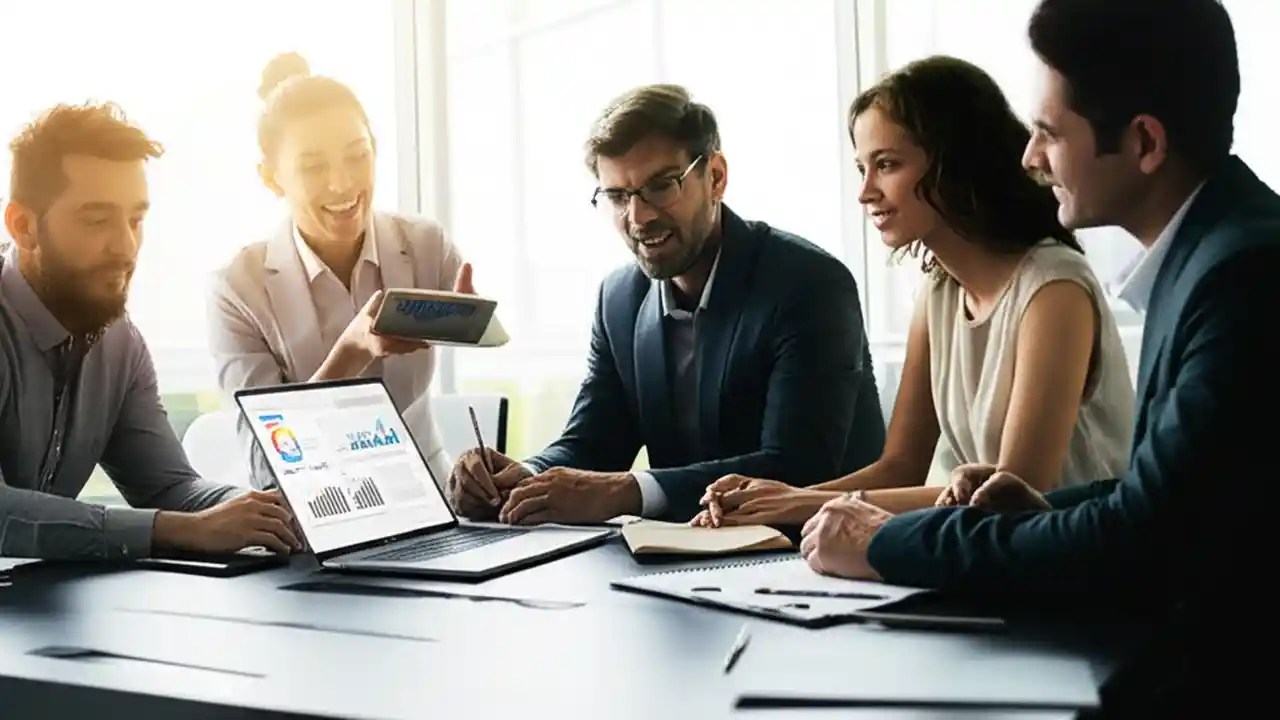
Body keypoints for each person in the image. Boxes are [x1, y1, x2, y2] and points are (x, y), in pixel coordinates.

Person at [798, 0, 1274, 709]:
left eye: (1048, 133)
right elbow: (1158, 497)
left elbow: (1142, 539)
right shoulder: (1212, 256)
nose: (1029, 158)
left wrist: (886, 544)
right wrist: (1034, 514)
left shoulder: (1241, 278)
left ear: (1144, 142)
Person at [694, 55, 1134, 528]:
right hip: (989, 552)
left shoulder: (1053, 288)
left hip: (1077, 554)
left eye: (886, 165)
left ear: (956, 162)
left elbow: (1015, 492)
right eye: (863, 167)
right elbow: (901, 466)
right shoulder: (939, 292)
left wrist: (804, 505)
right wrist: (779, 498)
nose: (866, 191)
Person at [448, 84, 886, 525]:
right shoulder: (618, 300)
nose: (639, 217)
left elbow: (798, 467)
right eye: (617, 196)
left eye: (660, 186)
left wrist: (627, 492)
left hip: (817, 549)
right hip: (681, 553)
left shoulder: (808, 284)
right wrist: (522, 478)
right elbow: (594, 442)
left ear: (716, 177)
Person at [0, 102, 301, 559]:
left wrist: (270, 510)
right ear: (23, 227)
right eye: (97, 221)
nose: (126, 247)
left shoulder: (120, 344)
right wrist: (174, 530)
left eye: (135, 220)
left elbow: (170, 489)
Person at [209, 53, 472, 489]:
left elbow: (485, 331)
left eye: (357, 155)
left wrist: (471, 322)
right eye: (313, 167)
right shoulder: (237, 289)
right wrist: (350, 352)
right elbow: (266, 464)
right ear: (271, 178)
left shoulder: (425, 246)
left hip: (425, 491)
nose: (343, 183)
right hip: (315, 504)